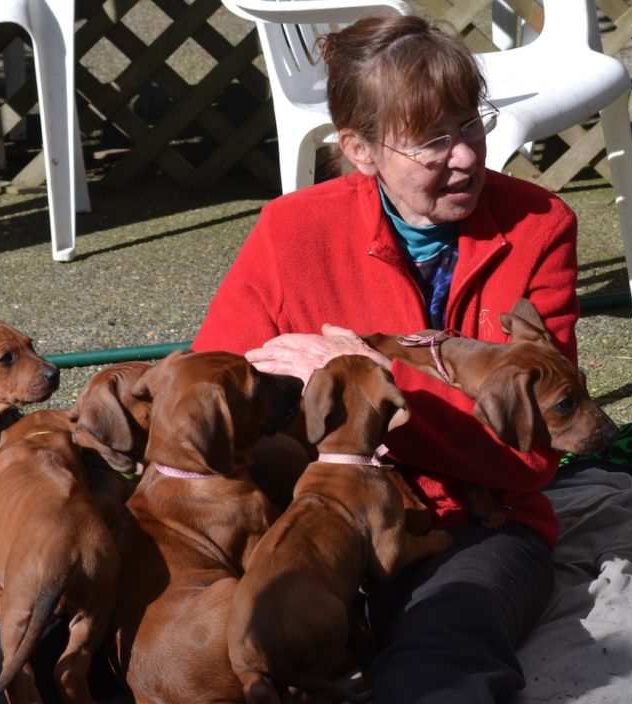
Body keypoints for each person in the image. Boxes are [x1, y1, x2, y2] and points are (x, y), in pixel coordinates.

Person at [191, 12, 577, 704]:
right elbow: (205, 397)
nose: (465, 157)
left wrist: (368, 380)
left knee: (446, 641)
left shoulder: (539, 227)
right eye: (432, 141)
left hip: (470, 523)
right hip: (308, 515)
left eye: (470, 124)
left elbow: (534, 452)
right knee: (109, 595)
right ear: (361, 150)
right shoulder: (292, 231)